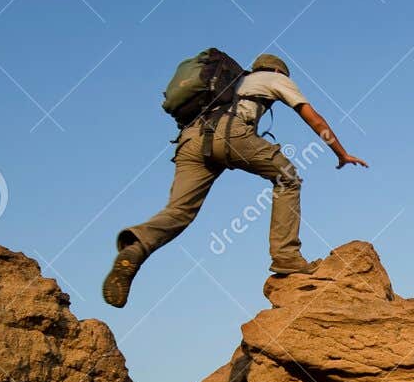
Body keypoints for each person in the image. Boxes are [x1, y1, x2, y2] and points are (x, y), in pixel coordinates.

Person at [102, 53, 366, 308]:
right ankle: (287, 256)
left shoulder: (232, 82)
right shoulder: (275, 78)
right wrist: (341, 153)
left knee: (179, 211)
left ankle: (136, 248)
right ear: (277, 71)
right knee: (288, 178)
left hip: (191, 139)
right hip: (228, 134)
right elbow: (313, 117)